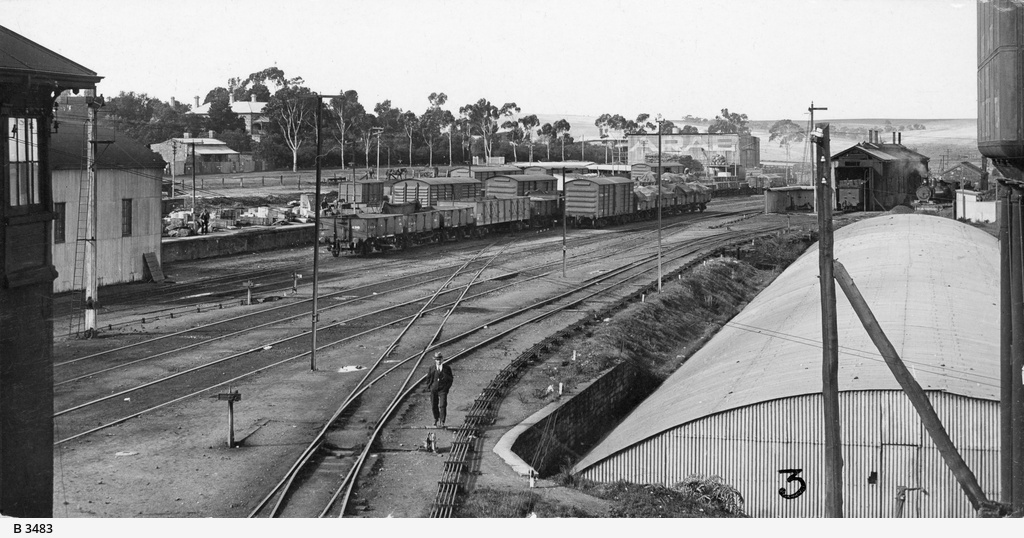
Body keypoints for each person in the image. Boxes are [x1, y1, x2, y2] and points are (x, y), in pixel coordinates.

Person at [426, 352, 453, 428]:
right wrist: (430, 387)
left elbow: (451, 379)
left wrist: (446, 388)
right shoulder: (431, 368)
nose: (438, 361)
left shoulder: (447, 368)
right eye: (437, 360)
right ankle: (436, 419)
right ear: (435, 360)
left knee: (442, 405)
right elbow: (428, 378)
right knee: (434, 405)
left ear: (442, 359)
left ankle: (442, 421)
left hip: (443, 390)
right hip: (434, 390)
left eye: (440, 359)